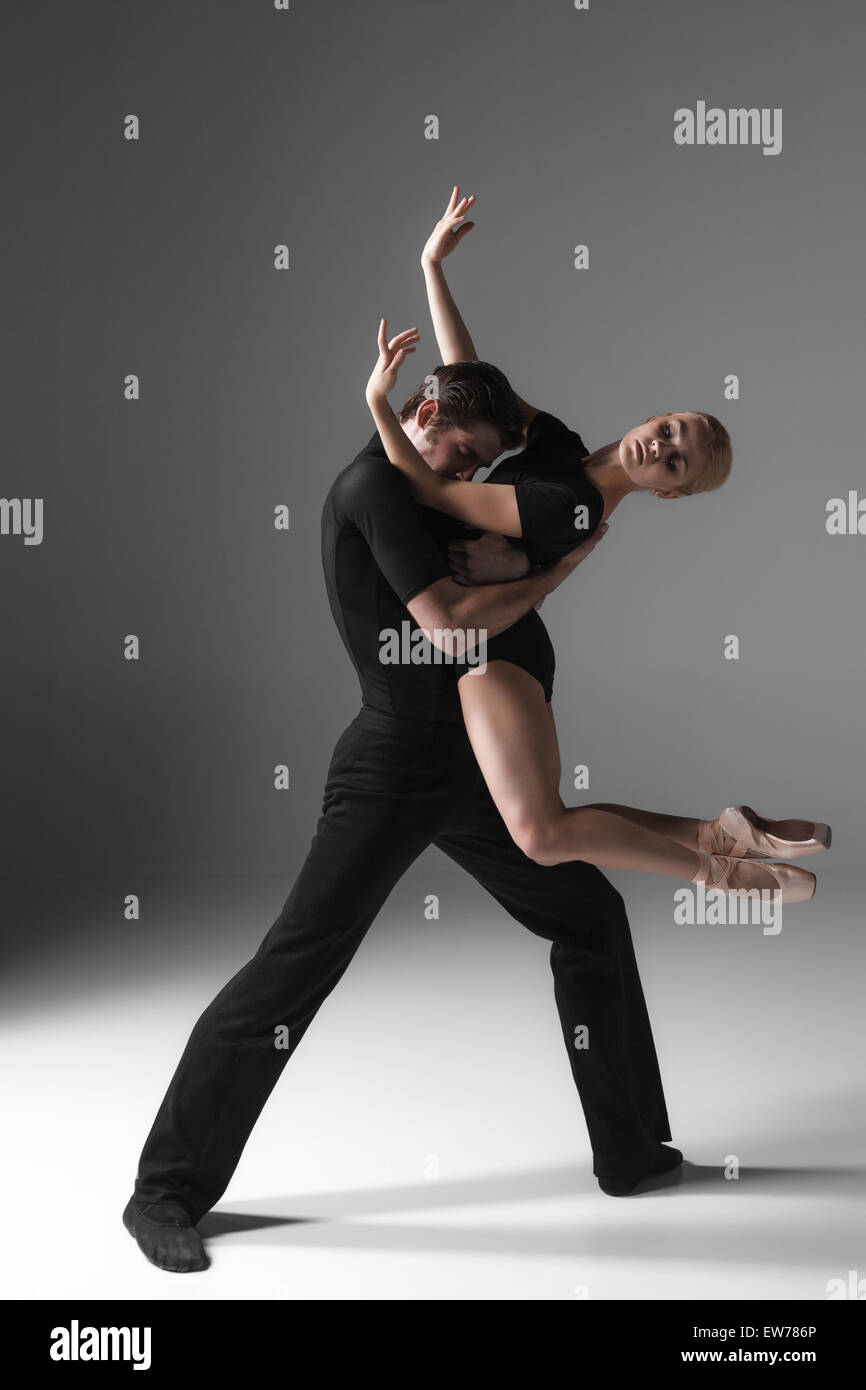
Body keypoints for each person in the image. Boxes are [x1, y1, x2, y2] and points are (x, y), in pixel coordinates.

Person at [122, 353, 675, 1278]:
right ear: (420, 413)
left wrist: (435, 273)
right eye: (460, 451)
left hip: (471, 758)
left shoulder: (430, 483)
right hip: (393, 764)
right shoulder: (371, 488)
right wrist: (562, 564)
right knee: (298, 964)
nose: (464, 472)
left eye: (477, 461)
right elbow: (455, 621)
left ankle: (629, 1151)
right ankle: (163, 1191)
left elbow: (512, 450)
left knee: (589, 916)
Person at [364, 189, 830, 913]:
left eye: (676, 463)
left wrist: (373, 406)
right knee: (550, 821)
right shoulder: (564, 449)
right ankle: (722, 834)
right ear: (656, 414)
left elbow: (436, 495)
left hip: (500, 650)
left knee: (544, 835)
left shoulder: (572, 504)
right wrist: (433, 268)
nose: (664, 447)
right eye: (673, 430)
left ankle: (727, 878)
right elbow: (472, 386)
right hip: (503, 639)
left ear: (668, 493)